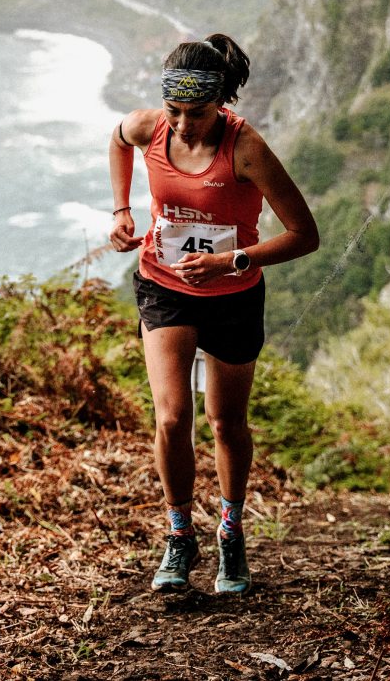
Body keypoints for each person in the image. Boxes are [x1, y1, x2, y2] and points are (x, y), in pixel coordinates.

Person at [108, 33, 319, 594]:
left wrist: (233, 259)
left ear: (220, 103)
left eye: (196, 114)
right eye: (174, 111)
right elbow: (116, 137)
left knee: (226, 423)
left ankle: (230, 531)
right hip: (164, 286)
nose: (181, 125)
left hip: (234, 295)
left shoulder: (245, 148)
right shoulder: (151, 127)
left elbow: (305, 235)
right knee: (172, 417)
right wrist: (121, 209)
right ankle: (179, 535)